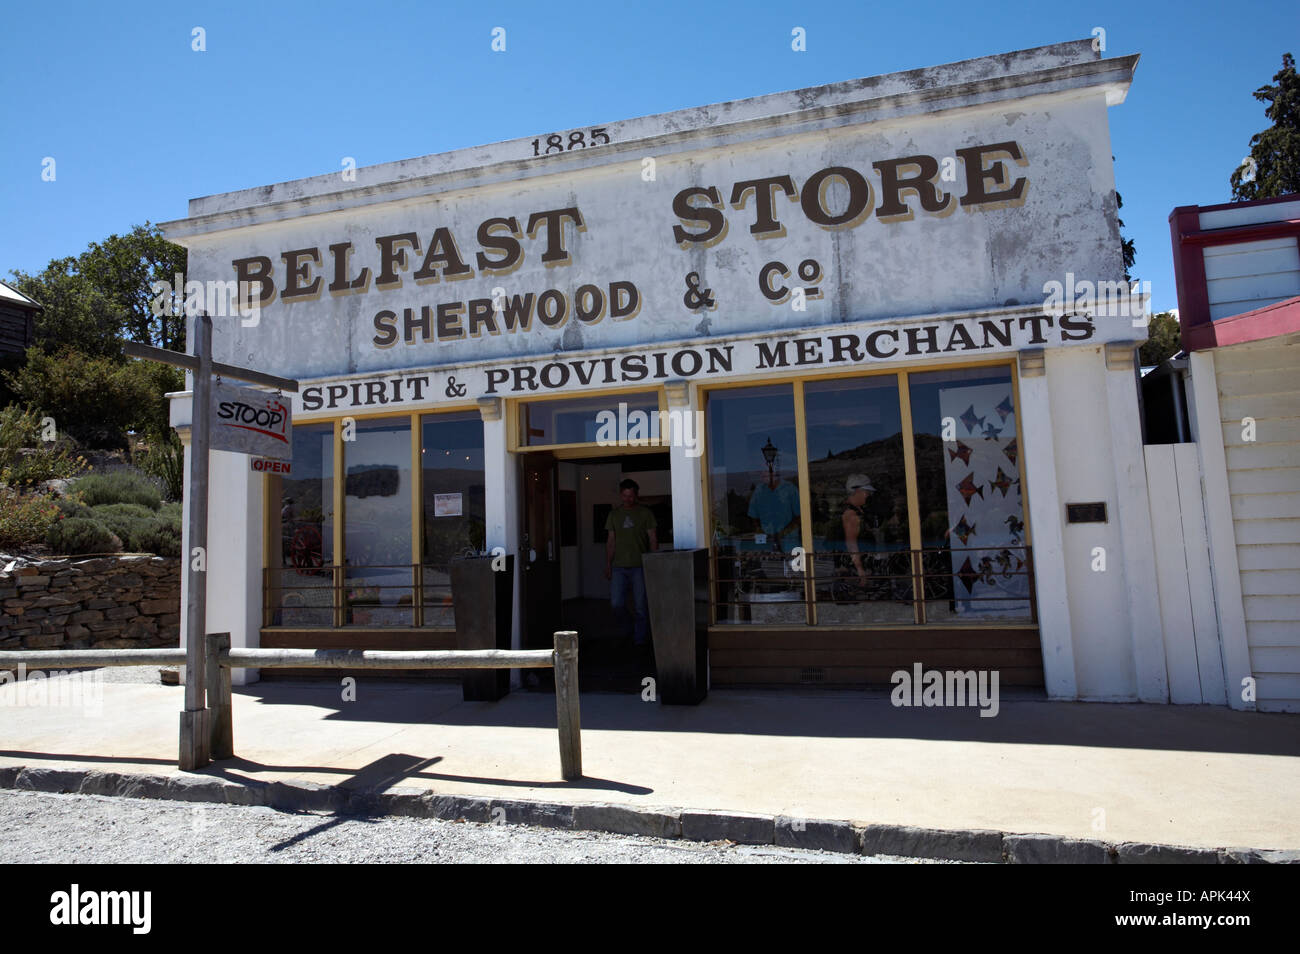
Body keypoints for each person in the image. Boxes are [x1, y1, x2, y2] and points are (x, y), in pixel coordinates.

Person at [604, 478, 658, 646]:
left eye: (631, 496)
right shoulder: (614, 514)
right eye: (625, 496)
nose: (627, 499)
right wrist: (608, 564)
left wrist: (653, 564)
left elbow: (653, 539)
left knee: (641, 606)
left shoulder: (645, 513)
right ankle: (630, 628)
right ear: (621, 495)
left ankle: (639, 640)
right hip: (618, 567)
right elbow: (611, 541)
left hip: (640, 566)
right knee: (616, 604)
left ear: (636, 495)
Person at [748, 468, 800, 553]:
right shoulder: (759, 490)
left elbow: (799, 516)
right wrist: (760, 530)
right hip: (767, 542)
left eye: (765, 472)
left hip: (789, 540)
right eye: (761, 473)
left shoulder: (789, 488)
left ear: (774, 473)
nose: (762, 474)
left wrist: (783, 533)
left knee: (791, 565)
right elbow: (753, 515)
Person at [841, 474, 876, 587]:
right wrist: (860, 570)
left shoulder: (858, 511)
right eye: (866, 492)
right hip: (858, 564)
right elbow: (851, 543)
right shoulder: (851, 514)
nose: (868, 495)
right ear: (856, 491)